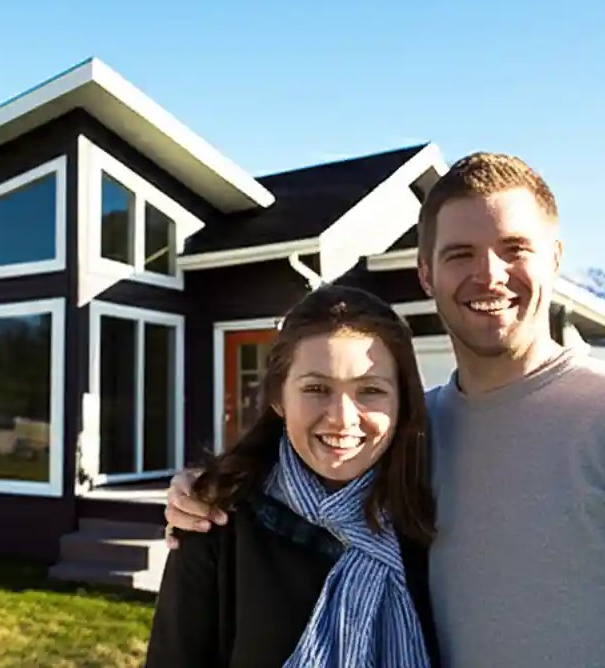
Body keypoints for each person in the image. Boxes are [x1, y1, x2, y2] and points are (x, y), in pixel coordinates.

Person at [163, 153, 605, 666]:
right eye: (460, 254)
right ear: (425, 274)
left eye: (514, 247)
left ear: (554, 258)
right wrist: (201, 492)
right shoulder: (412, 436)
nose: (489, 274)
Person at [145, 284, 439, 667]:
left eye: (370, 390)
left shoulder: (430, 515)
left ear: (403, 403)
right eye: (317, 388)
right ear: (277, 399)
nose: (342, 418)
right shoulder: (215, 523)